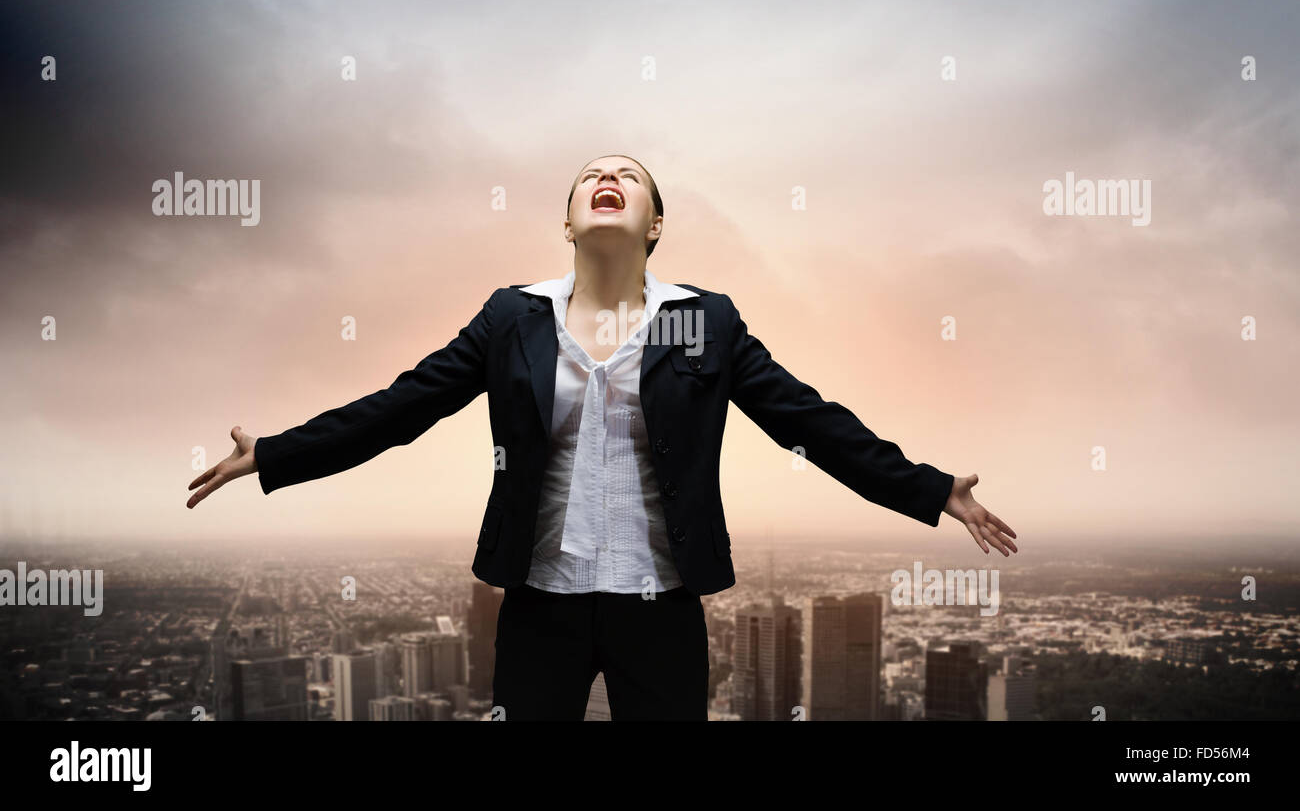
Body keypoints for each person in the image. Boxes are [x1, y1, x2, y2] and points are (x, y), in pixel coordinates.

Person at [186, 153, 1017, 720]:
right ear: (568, 223)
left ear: (656, 224)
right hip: (538, 603)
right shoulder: (512, 317)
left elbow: (810, 422)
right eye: (591, 176)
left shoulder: (704, 321)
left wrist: (933, 488)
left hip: (663, 605)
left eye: (628, 176)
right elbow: (401, 407)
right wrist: (275, 452)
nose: (608, 177)